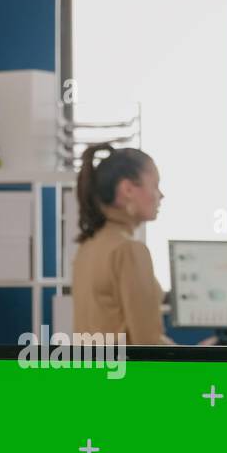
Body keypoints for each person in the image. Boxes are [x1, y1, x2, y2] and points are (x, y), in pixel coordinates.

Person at [70, 144, 172, 345]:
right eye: (155, 185)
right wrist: (196, 358)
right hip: (127, 375)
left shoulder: (88, 246)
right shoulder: (129, 250)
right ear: (127, 189)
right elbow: (148, 346)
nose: (161, 195)